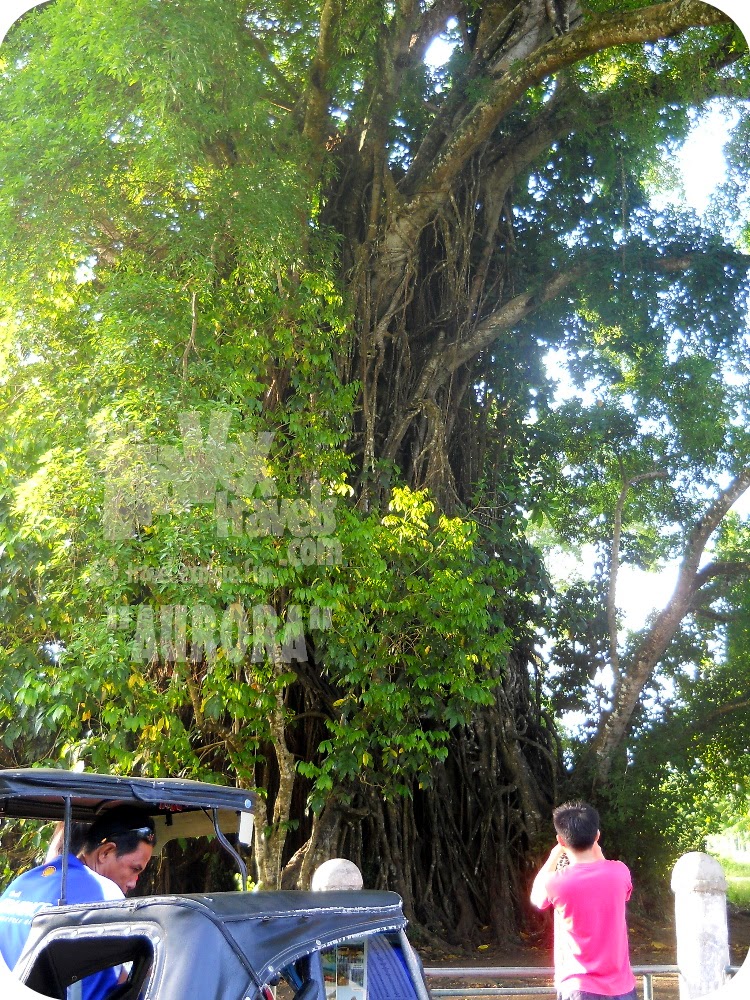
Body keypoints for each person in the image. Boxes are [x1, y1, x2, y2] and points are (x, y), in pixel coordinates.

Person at [0, 806, 156, 1000]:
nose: (133, 883)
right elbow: (111, 987)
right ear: (105, 852)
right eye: (134, 869)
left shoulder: (23, 882)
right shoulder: (104, 893)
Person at [530, 801, 637, 1000]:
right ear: (597, 836)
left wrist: (554, 856)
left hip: (578, 987)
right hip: (622, 988)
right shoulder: (620, 872)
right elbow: (606, 871)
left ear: (561, 840)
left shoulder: (556, 882)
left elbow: (536, 898)